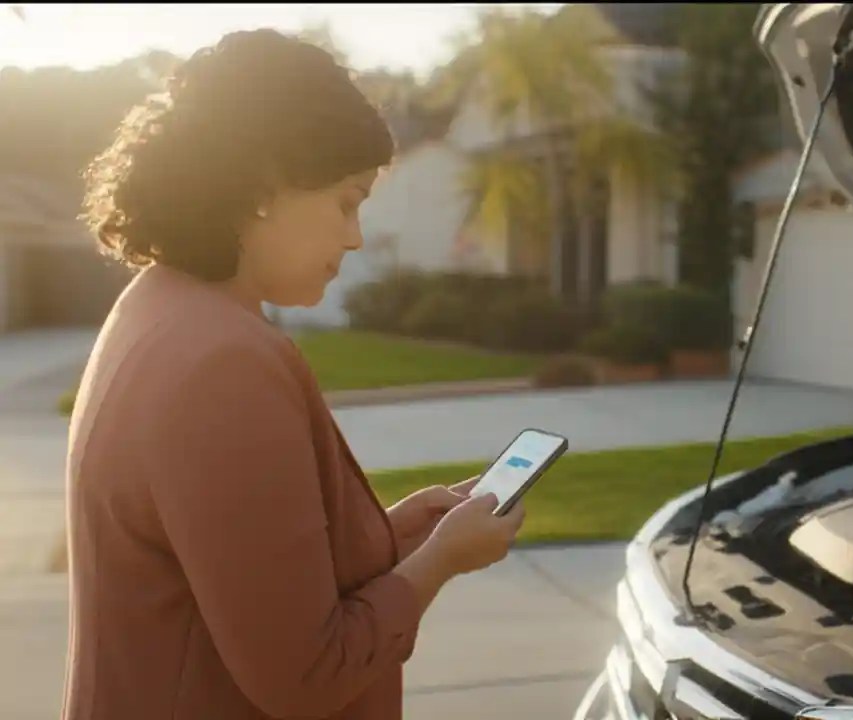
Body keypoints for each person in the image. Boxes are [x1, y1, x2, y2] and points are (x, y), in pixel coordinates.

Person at [62, 29, 524, 720]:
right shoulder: (222, 363)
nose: (355, 235)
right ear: (262, 183)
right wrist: (441, 562)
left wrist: (399, 536)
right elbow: (307, 674)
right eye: (347, 201)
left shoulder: (160, 306)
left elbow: (231, 571)